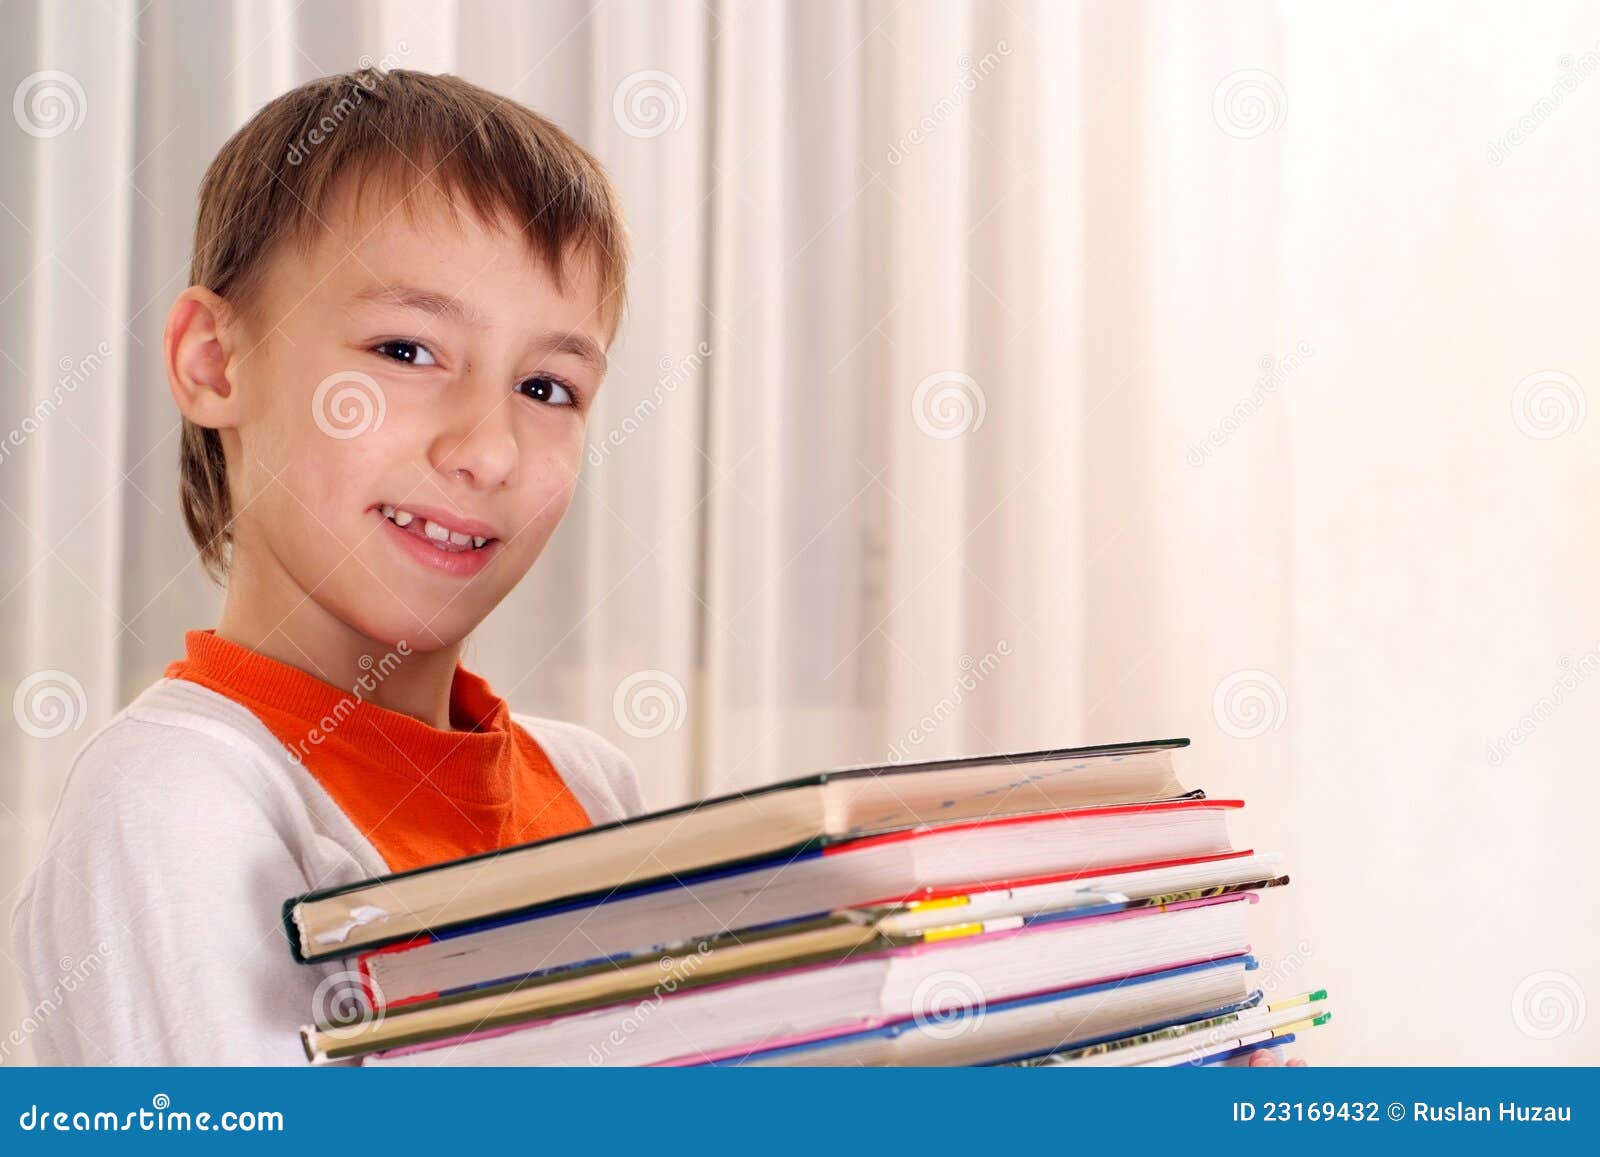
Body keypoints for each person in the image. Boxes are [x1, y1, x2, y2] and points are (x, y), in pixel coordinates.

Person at [9, 68, 642, 1064]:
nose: (488, 448)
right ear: (215, 362)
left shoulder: (594, 788)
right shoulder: (176, 793)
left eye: (545, 385)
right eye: (406, 348)